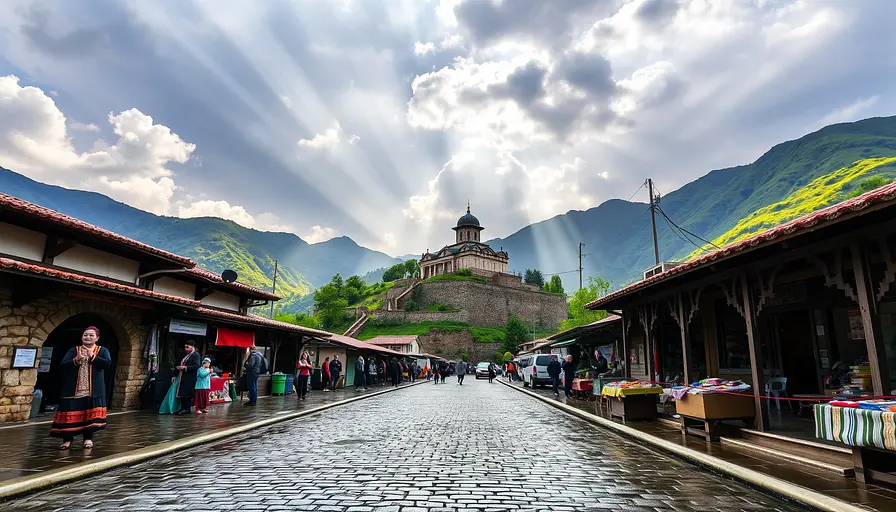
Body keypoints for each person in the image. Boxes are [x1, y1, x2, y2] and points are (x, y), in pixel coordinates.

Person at [50, 326, 112, 450]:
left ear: (97, 338)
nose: (88, 337)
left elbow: (107, 364)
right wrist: (76, 360)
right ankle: (67, 440)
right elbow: (63, 366)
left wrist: (93, 357)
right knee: (70, 416)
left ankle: (87, 439)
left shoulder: (102, 350)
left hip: (93, 390)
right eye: (85, 335)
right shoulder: (74, 350)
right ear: (81, 337)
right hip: (73, 389)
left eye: (91, 335)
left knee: (89, 416)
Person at [175, 340, 201, 415]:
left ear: (192, 347)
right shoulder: (186, 355)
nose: (186, 349)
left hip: (190, 377)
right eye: (185, 347)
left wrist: (185, 367)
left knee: (187, 393)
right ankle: (182, 408)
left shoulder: (196, 355)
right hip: (183, 376)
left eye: (187, 347)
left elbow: (196, 366)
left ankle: (186, 409)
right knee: (183, 393)